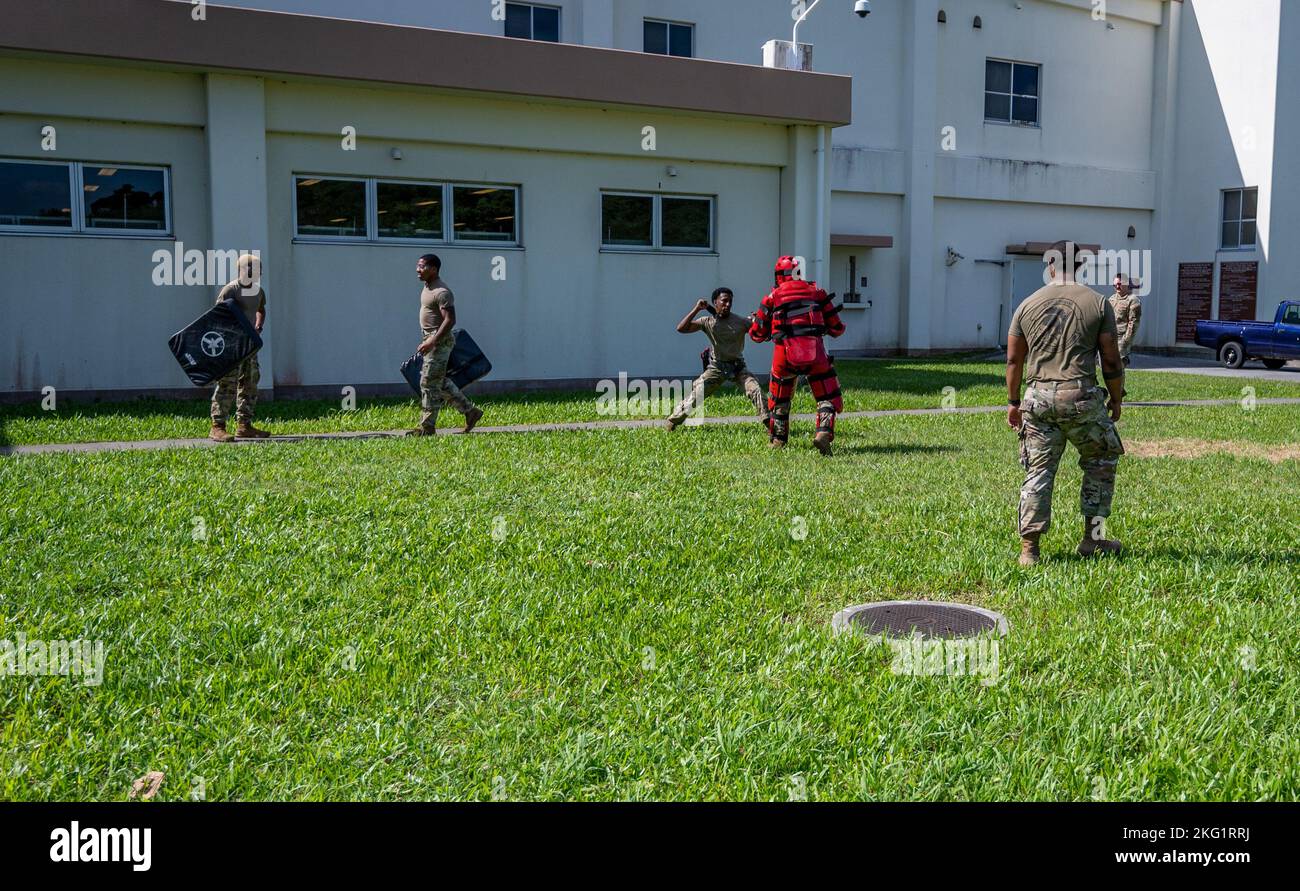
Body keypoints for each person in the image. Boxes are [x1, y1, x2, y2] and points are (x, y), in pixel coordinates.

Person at [1007, 240, 1126, 567]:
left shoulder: (1027, 305)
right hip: (1080, 398)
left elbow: (1014, 362)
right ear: (1080, 267)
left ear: (1050, 266)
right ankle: (1094, 539)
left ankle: (1029, 549)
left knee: (1038, 471)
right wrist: (1116, 398)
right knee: (1101, 461)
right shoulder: (1099, 304)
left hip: (1038, 399)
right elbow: (1111, 360)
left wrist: (1013, 402)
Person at [749, 256, 845, 455]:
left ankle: (778, 439)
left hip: (783, 356)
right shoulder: (817, 292)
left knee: (779, 397)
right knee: (827, 394)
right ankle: (823, 433)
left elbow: (757, 334)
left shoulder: (772, 297)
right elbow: (837, 328)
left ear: (779, 275)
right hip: (815, 354)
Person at [665, 288, 768, 430]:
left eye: (730, 301)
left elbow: (762, 335)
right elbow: (681, 328)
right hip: (716, 368)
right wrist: (697, 309)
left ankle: (771, 425)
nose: (728, 304)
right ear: (715, 302)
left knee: (755, 390)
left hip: (738, 367)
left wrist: (759, 321)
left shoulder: (741, 322)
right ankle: (672, 422)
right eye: (724, 301)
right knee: (696, 396)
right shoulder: (707, 321)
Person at [407, 254, 484, 437]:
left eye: (422, 266)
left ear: (433, 269)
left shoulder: (442, 292)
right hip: (430, 339)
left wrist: (432, 341)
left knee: (428, 383)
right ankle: (470, 412)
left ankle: (427, 428)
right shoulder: (428, 287)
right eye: (417, 265)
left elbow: (450, 320)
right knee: (439, 382)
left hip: (438, 341)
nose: (418, 269)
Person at [209, 253, 270, 442]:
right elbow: (217, 316)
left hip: (249, 346)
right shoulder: (230, 290)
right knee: (228, 383)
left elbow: (261, 310)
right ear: (243, 270)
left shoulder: (258, 292)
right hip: (231, 346)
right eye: (255, 269)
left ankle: (245, 426)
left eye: (260, 269)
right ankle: (217, 427)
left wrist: (258, 328)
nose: (259, 272)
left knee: (250, 382)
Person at [1108, 274, 1143, 366]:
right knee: (1108, 368)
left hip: (1121, 339)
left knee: (1119, 368)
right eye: (1115, 285)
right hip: (1110, 338)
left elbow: (1134, 323)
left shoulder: (1133, 300)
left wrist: (1125, 342)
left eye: (1119, 284)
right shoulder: (1111, 299)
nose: (1117, 286)